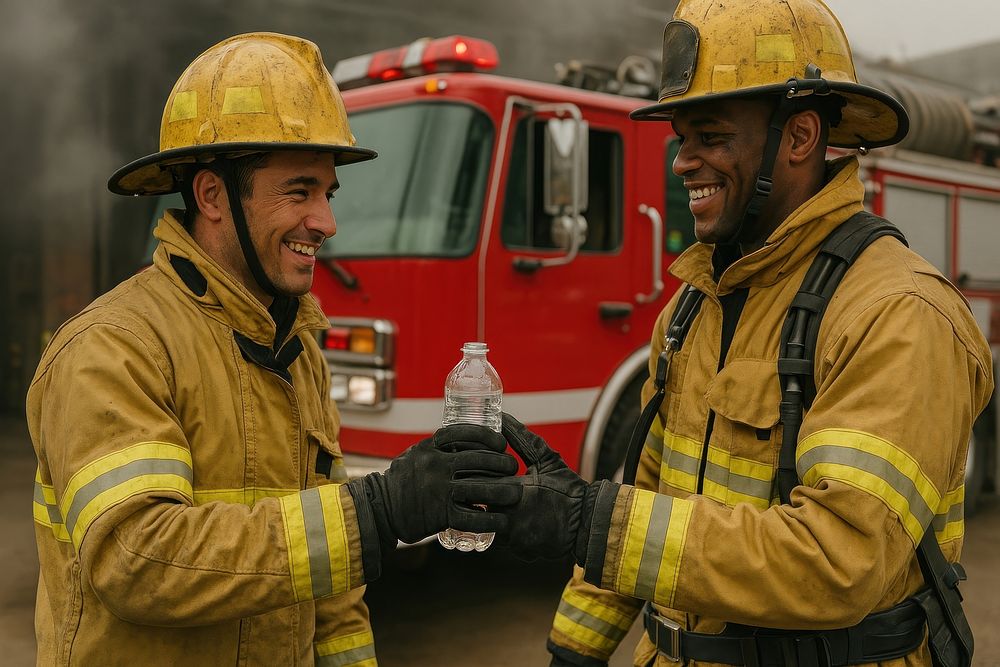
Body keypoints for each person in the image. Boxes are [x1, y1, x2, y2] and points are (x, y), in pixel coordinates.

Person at [466, 1, 994, 665]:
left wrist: (591, 522)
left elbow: (840, 560)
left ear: (799, 137)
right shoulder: (692, 309)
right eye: (681, 139)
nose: (683, 163)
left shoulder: (897, 313)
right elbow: (648, 498)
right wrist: (573, 651)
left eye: (711, 137)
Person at [27, 32, 515, 666]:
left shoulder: (297, 350)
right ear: (212, 196)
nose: (326, 222)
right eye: (299, 191)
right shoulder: (114, 348)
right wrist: (375, 512)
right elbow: (138, 561)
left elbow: (333, 591)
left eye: (327, 194)